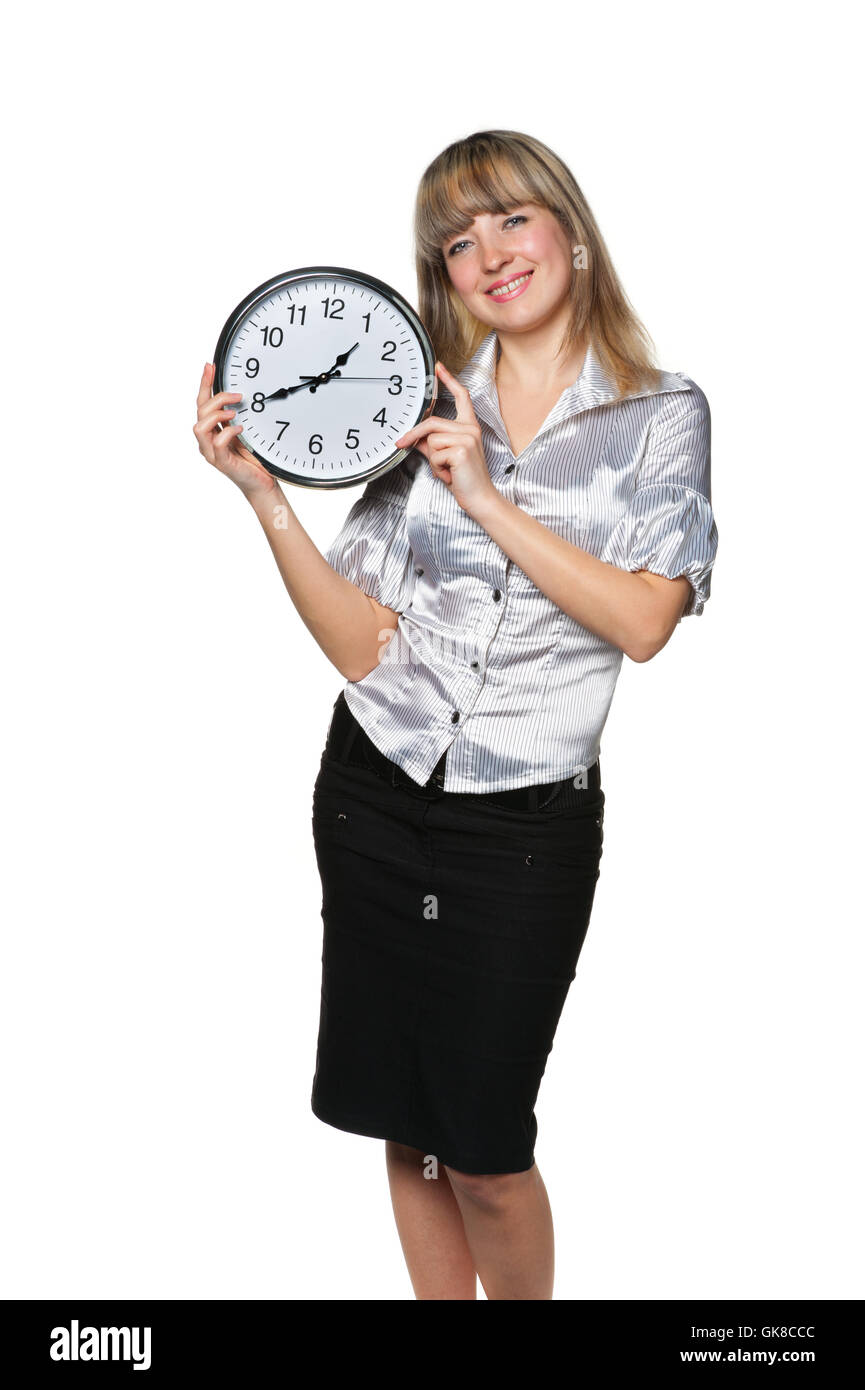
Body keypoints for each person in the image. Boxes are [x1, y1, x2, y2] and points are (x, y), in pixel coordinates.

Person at [193, 128, 718, 1300]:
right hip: (374, 794)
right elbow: (366, 647)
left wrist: (479, 493)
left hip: (521, 827)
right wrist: (266, 499)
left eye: (511, 220)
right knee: (406, 1117)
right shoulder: (414, 400)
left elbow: (642, 621)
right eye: (455, 240)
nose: (487, 253)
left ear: (571, 236)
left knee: (482, 1144)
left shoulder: (659, 413)